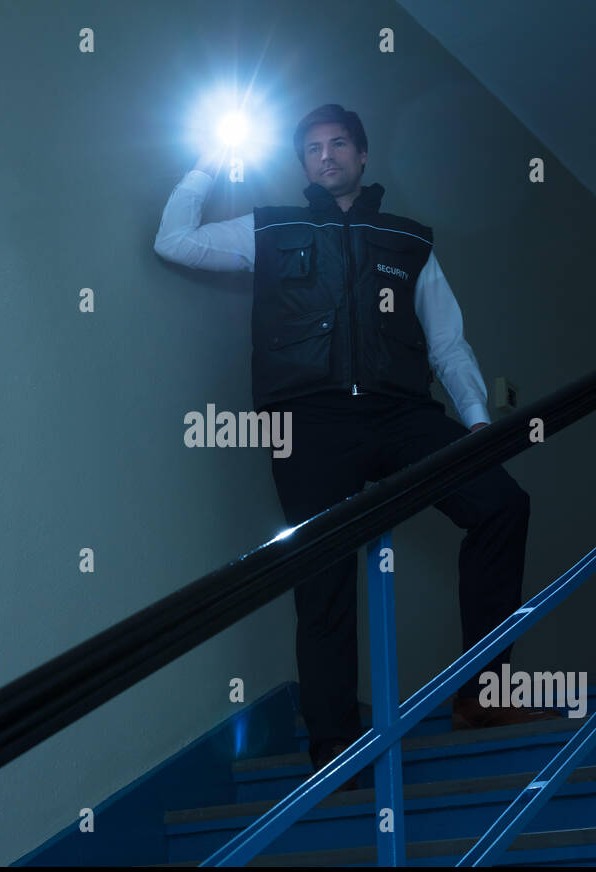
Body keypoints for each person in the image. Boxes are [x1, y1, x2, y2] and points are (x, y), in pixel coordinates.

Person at [153, 104, 553, 792]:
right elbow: (174, 240)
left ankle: (485, 697)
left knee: (501, 504)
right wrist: (211, 161)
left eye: (339, 144)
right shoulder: (271, 229)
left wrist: (479, 422)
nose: (326, 155)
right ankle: (335, 746)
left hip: (403, 414)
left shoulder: (408, 242)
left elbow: (448, 342)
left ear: (362, 157)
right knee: (323, 572)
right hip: (309, 422)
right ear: (302, 162)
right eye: (312, 147)